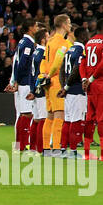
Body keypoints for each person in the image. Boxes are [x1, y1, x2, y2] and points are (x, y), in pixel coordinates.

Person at [38, 14, 72, 157]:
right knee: (59, 115)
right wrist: (51, 74)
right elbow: (58, 61)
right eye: (69, 23)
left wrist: (43, 76)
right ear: (63, 25)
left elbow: (43, 61)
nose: (70, 26)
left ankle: (46, 149)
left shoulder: (50, 41)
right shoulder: (64, 44)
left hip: (48, 83)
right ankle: (57, 149)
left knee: (50, 116)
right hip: (57, 81)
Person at [81, 19, 103, 160]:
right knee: (102, 119)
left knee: (90, 118)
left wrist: (85, 79)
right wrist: (93, 78)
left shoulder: (88, 43)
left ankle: (87, 153)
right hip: (101, 84)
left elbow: (82, 62)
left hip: (90, 86)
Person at [9, 21, 42, 153]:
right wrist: (18, 80)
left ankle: (19, 145)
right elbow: (22, 63)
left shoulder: (22, 41)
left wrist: (15, 79)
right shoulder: (28, 43)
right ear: (30, 28)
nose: (37, 28)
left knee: (23, 114)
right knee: (27, 114)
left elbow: (16, 62)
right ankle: (23, 145)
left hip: (21, 81)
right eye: (35, 26)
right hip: (25, 82)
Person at [60, 30, 87, 159]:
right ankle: (74, 151)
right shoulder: (81, 50)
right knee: (76, 121)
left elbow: (61, 69)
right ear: (83, 36)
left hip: (68, 92)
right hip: (76, 90)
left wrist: (64, 87)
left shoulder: (69, 50)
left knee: (67, 121)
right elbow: (77, 69)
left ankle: (63, 149)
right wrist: (67, 86)